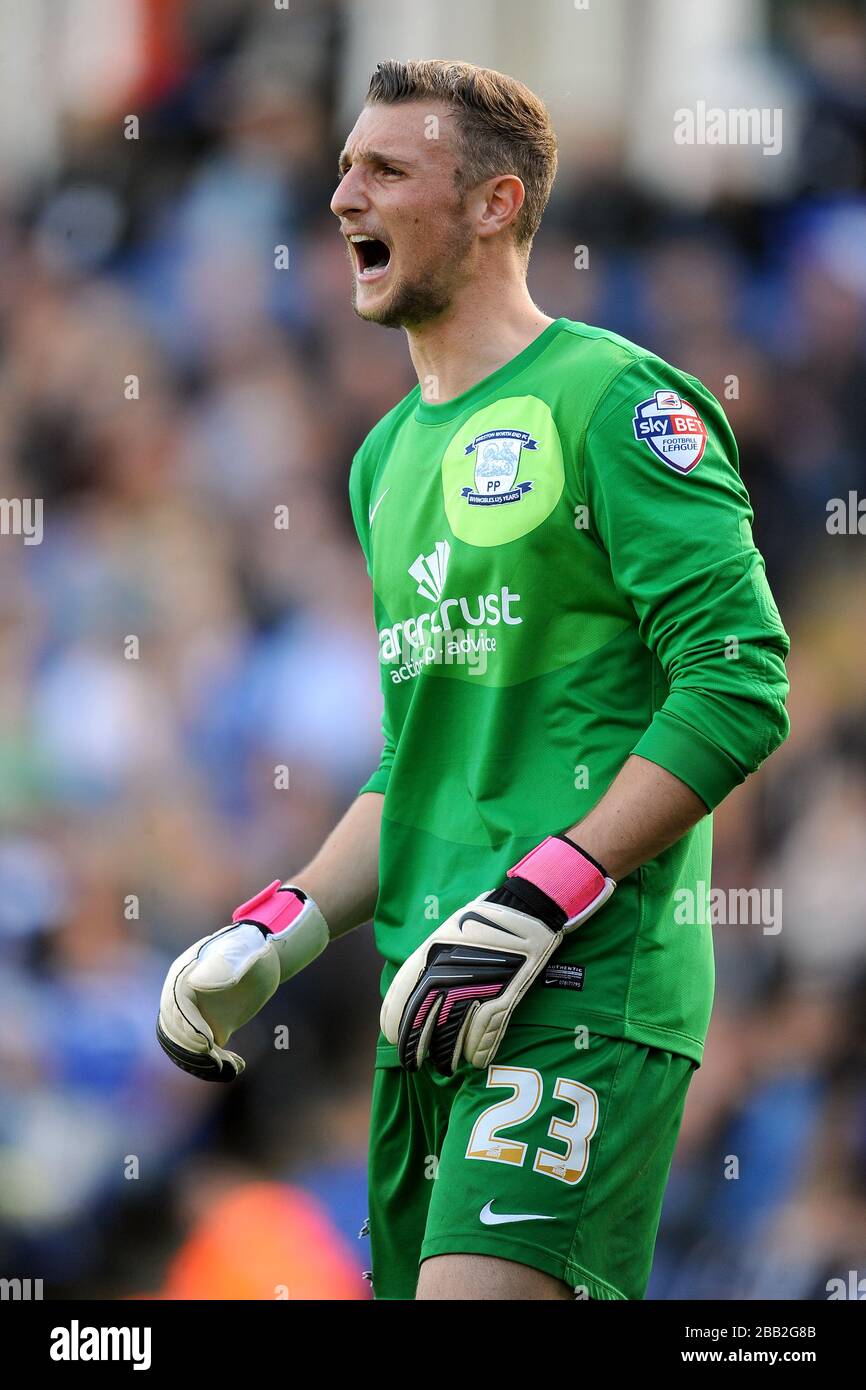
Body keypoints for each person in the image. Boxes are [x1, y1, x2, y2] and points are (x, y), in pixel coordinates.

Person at [158, 59, 790, 1302]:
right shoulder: (384, 457)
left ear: (496, 203)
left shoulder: (611, 400)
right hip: (425, 992)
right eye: (344, 166)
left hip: (580, 980)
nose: (342, 195)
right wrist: (279, 928)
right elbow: (418, 761)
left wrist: (545, 891)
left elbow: (737, 681)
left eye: (385, 170)